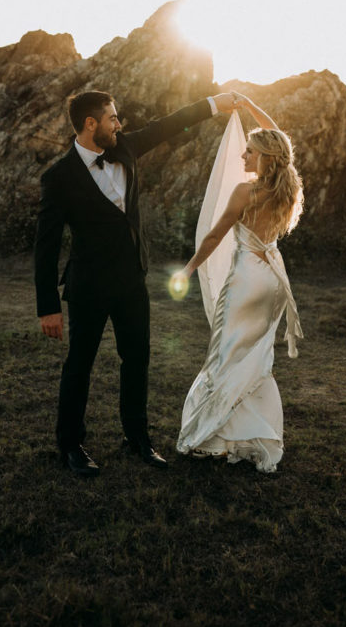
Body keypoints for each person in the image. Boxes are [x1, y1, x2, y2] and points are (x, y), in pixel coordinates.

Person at [35, 89, 237, 477]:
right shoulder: (58, 178)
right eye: (112, 118)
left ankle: (137, 437)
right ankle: (71, 445)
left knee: (137, 359)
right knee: (80, 365)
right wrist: (48, 307)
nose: (119, 124)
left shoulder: (125, 146)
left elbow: (169, 124)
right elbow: (44, 247)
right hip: (88, 287)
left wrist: (215, 102)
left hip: (132, 281)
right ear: (90, 124)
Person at [175, 94, 304, 474]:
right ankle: (250, 435)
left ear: (265, 157)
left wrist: (188, 269)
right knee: (252, 359)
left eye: (249, 152)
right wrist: (248, 103)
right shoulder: (287, 189)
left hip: (247, 279)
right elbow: (280, 138)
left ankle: (212, 437)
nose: (243, 157)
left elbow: (215, 236)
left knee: (224, 356)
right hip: (274, 281)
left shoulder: (245, 192)